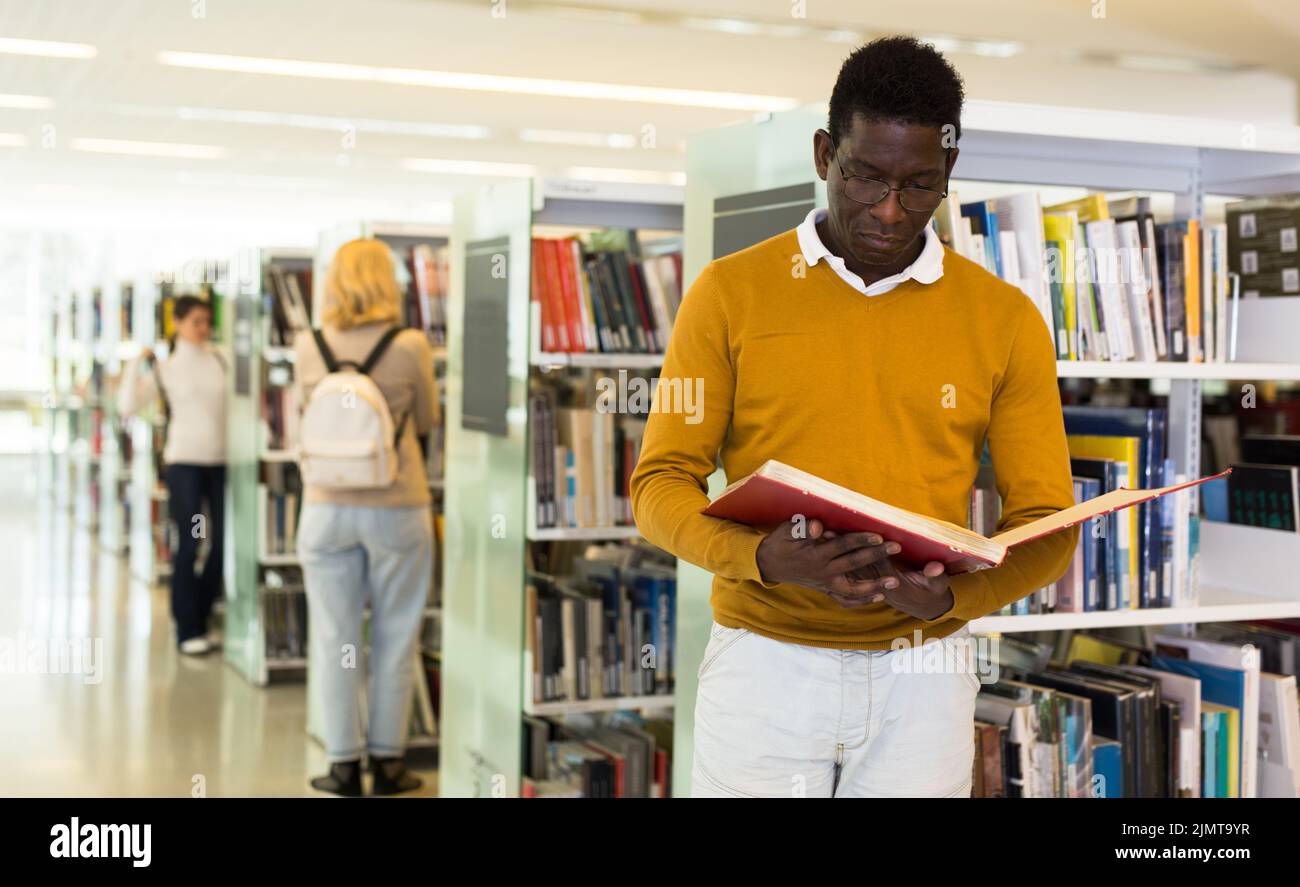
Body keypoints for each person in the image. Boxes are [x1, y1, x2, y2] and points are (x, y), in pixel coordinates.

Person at [629, 36, 1080, 798]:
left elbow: (1049, 523)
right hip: (762, 662)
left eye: (919, 185)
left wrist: (952, 598)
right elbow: (658, 486)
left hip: (925, 672)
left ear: (948, 174)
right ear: (823, 153)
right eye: (866, 176)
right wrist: (765, 557)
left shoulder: (1005, 320)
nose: (889, 210)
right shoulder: (729, 293)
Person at [293, 238, 439, 797]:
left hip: (325, 506)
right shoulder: (410, 344)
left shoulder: (308, 343)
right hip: (397, 506)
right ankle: (389, 763)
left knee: (334, 637)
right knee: (397, 636)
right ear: (388, 282)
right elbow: (426, 419)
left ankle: (342, 765)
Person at [118, 295, 227, 657]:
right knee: (193, 539)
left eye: (206, 321)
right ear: (177, 323)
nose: (202, 328)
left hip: (220, 464)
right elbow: (127, 406)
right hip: (186, 467)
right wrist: (137, 362)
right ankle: (187, 627)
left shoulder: (220, 360)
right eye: (195, 321)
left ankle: (203, 611)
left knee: (221, 544)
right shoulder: (167, 369)